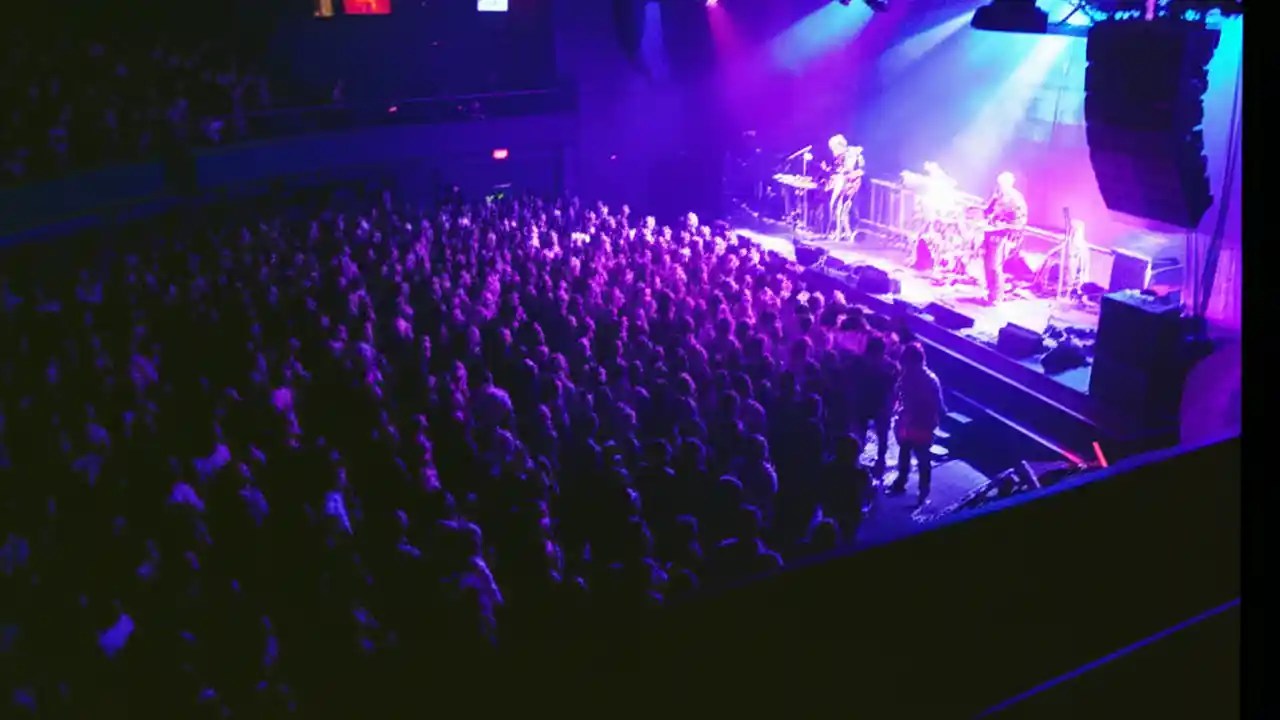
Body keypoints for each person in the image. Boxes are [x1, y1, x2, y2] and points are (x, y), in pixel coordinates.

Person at [888, 342, 945, 507]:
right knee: (908, 452)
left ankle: (922, 490)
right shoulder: (910, 377)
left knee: (921, 457)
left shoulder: (928, 380)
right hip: (911, 422)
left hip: (921, 423)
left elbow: (937, 405)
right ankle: (905, 481)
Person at [980, 171, 1028, 305]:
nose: (1000, 186)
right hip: (991, 233)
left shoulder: (1016, 198)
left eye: (1002, 184)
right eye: (999, 183)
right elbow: (988, 211)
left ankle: (996, 297)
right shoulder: (998, 195)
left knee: (995, 266)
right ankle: (990, 293)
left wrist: (1006, 226)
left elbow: (1021, 221)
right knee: (987, 265)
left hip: (1003, 236)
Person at [824, 134, 865, 243]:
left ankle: (847, 233)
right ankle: (840, 232)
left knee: (845, 209)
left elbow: (861, 170)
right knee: (837, 207)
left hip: (851, 183)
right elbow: (839, 169)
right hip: (843, 181)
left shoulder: (854, 154)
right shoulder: (841, 156)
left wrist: (850, 176)